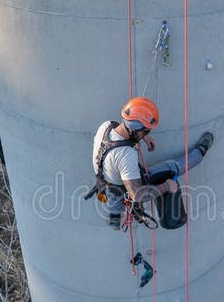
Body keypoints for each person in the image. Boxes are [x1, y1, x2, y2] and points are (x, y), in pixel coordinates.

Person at [90, 96, 213, 229]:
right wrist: (166, 186)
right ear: (134, 130)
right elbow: (137, 194)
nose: (148, 133)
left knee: (114, 196)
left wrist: (144, 136)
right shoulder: (126, 156)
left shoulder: (107, 125)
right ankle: (200, 151)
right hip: (122, 183)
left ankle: (114, 220)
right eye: (146, 131)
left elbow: (125, 129)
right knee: (172, 167)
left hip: (105, 179)